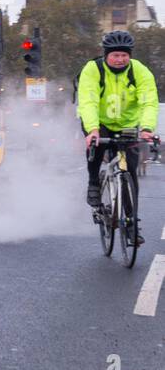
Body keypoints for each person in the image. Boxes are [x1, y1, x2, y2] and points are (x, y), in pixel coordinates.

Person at [78, 30, 158, 244]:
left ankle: (131, 223)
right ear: (106, 55)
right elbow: (88, 101)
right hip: (100, 122)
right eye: (116, 55)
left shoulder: (140, 71)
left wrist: (147, 129)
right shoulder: (93, 70)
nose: (121, 59)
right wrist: (92, 130)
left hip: (127, 125)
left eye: (125, 55)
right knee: (96, 148)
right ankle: (94, 182)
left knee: (129, 171)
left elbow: (149, 101)